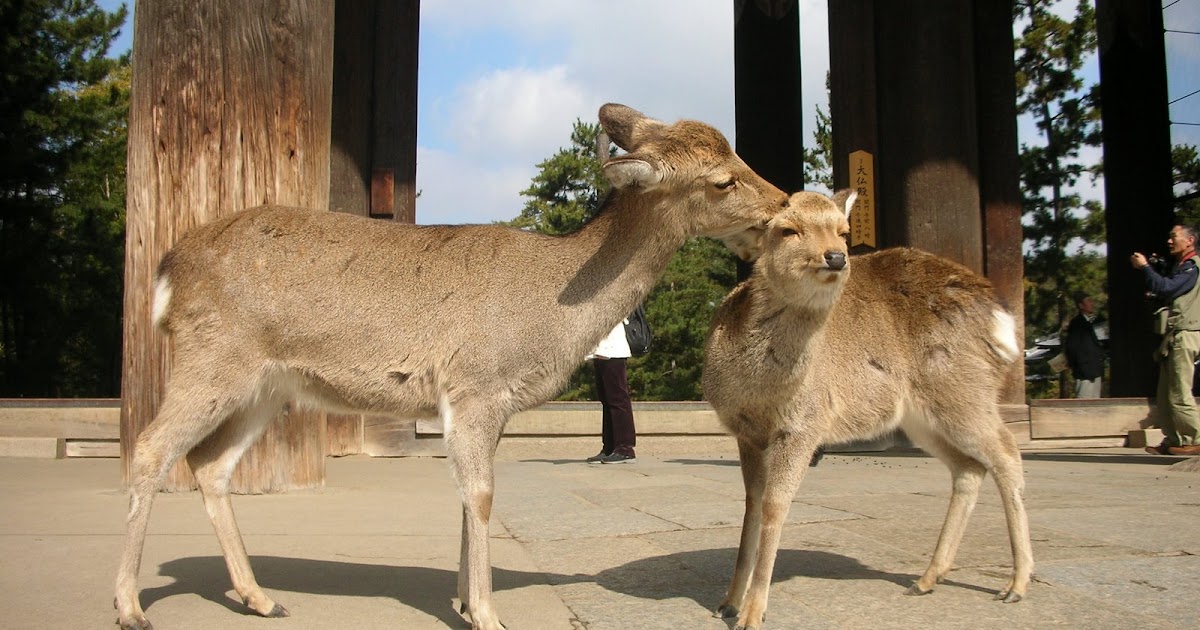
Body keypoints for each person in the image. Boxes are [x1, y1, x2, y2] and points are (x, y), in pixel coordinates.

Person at [1131, 224, 1200, 456]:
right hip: (1173, 336)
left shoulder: (1192, 267)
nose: (1169, 241)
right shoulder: (1181, 267)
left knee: (1179, 391)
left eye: (1174, 237)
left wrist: (1145, 268)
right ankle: (1174, 439)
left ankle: (1193, 439)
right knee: (1165, 394)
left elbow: (1166, 288)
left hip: (1185, 335)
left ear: (1189, 241)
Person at [585, 320, 637, 464]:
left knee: (618, 399)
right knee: (607, 400)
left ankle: (625, 448)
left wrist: (604, 348)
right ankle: (610, 447)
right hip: (601, 351)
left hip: (613, 350)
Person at [1064, 292, 1105, 398]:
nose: (1092, 304)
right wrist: (1081, 367)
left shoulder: (1093, 322)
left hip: (1096, 369)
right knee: (1084, 401)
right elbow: (1072, 348)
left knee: (1096, 402)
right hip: (1084, 372)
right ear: (1081, 305)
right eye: (1089, 301)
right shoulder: (1076, 324)